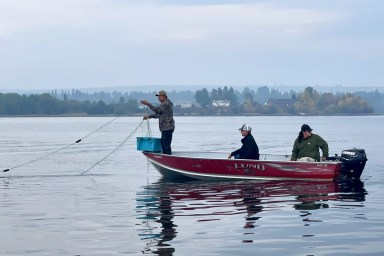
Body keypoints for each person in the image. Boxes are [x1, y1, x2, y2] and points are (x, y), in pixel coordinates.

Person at [141, 90, 175, 155]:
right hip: (166, 128)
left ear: (164, 96)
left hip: (167, 128)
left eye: (160, 96)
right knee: (164, 144)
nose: (158, 98)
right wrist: (149, 116)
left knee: (165, 145)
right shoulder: (164, 104)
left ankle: (168, 158)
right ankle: (167, 156)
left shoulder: (166, 104)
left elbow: (156, 110)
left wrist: (148, 104)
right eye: (158, 96)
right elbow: (159, 114)